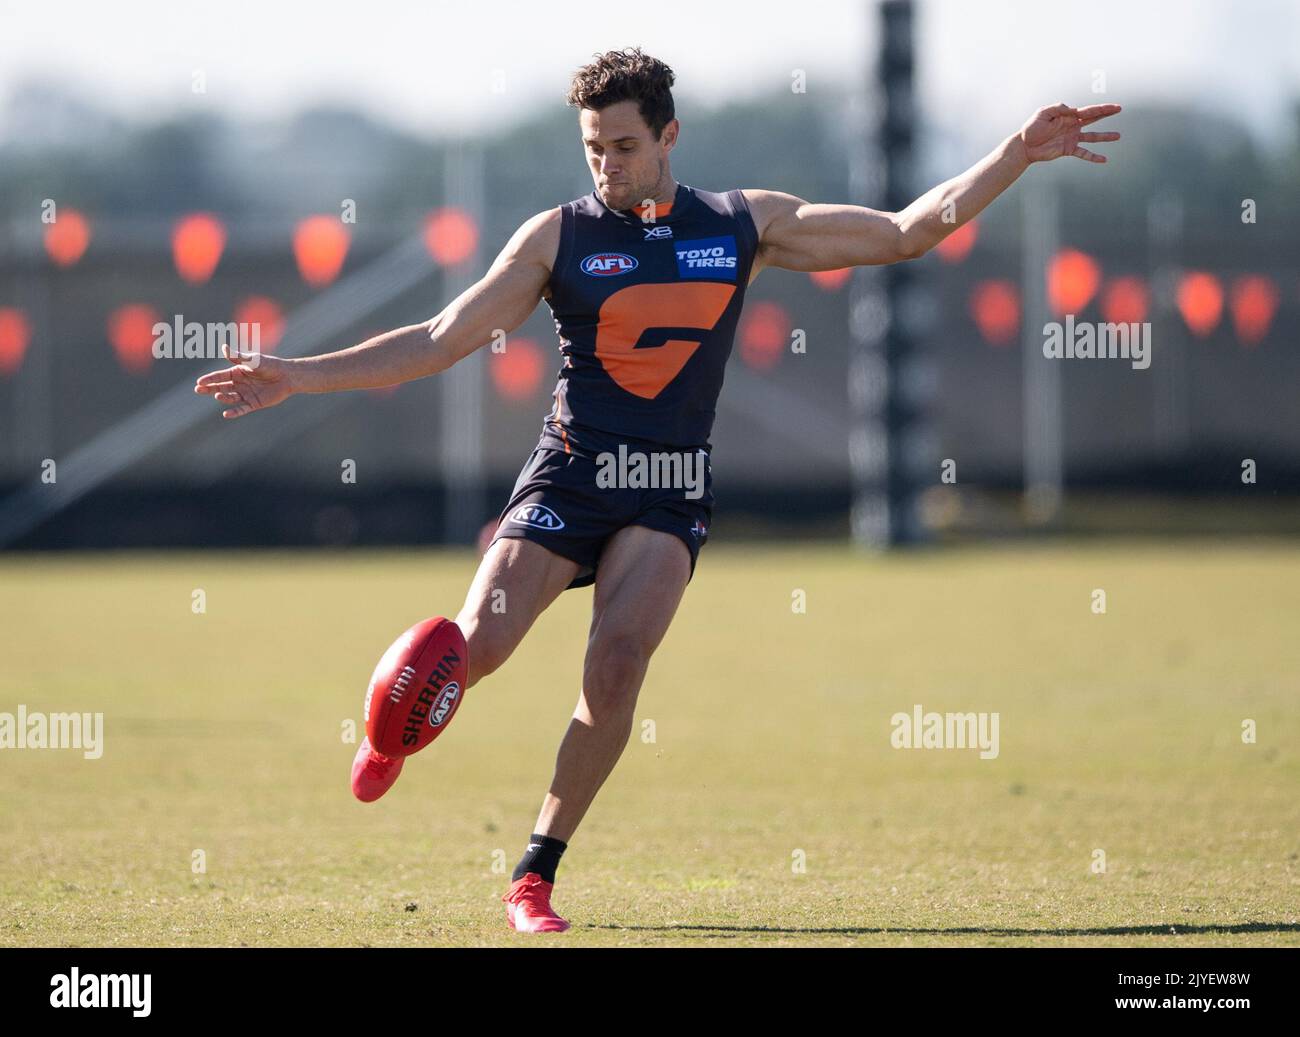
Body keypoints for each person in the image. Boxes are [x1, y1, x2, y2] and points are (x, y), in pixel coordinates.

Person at [195, 47, 1120, 933]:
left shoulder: (742, 223)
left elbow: (911, 231)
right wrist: (298, 375)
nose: (606, 164)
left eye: (624, 146)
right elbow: (443, 336)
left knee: (617, 665)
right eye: (592, 147)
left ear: (669, 136)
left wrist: (1015, 153)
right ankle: (390, 730)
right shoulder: (558, 237)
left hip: (668, 490)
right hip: (570, 472)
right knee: (474, 646)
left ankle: (532, 874)